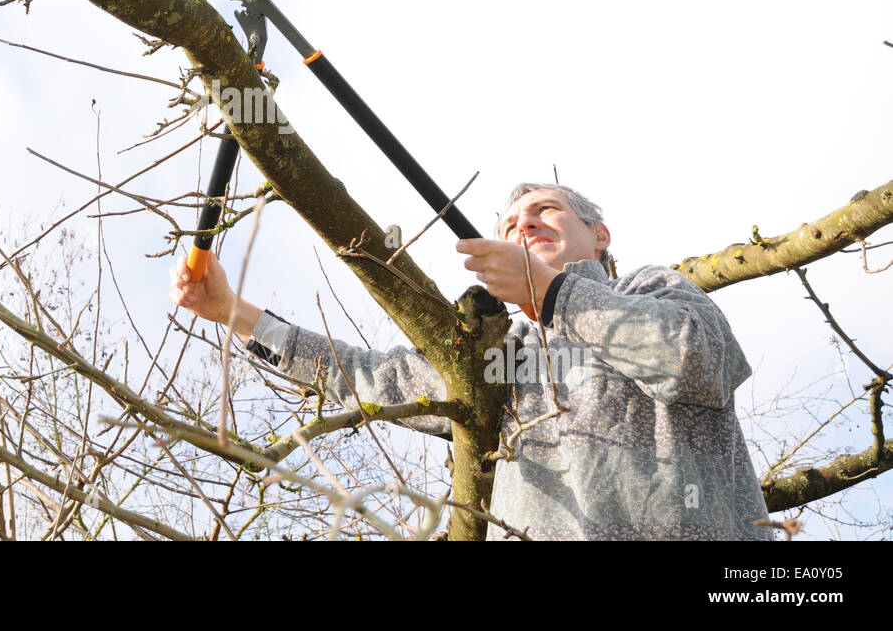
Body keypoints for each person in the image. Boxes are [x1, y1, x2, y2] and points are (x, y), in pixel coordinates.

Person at [168, 182, 774, 540]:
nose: (526, 222)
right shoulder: (500, 358)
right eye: (511, 224)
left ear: (600, 235)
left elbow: (697, 357)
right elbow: (368, 376)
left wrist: (554, 292)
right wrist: (235, 313)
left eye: (546, 210)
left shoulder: (646, 288)